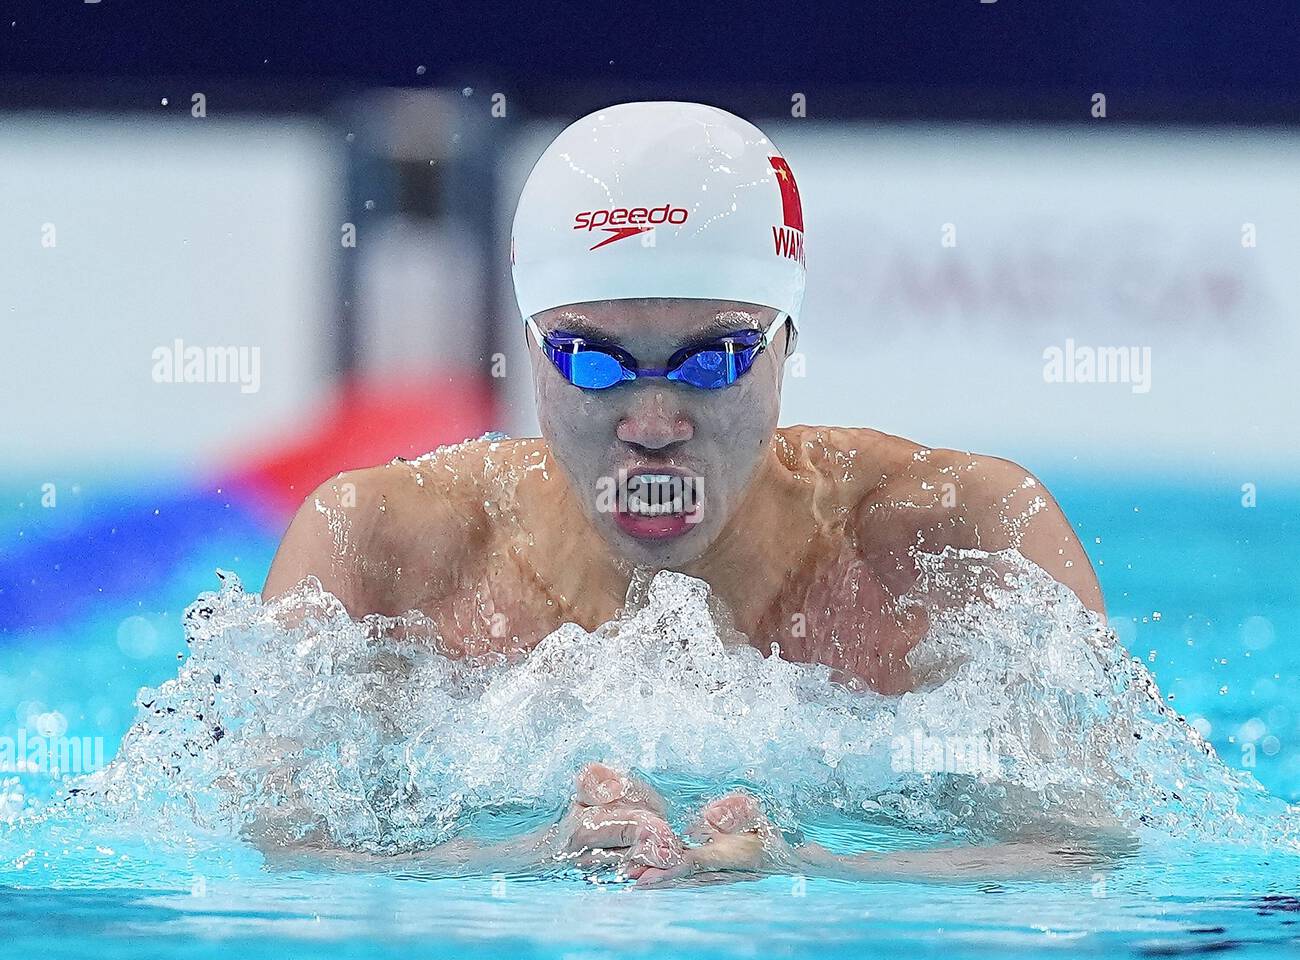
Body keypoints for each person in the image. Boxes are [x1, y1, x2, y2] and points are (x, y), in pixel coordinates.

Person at [263, 101, 1107, 885]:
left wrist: (807, 868)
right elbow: (274, 853)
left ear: (788, 344)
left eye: (715, 361)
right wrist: (530, 853)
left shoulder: (960, 540)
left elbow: (1085, 856)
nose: (656, 422)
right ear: (529, 350)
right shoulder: (379, 547)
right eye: (593, 361)